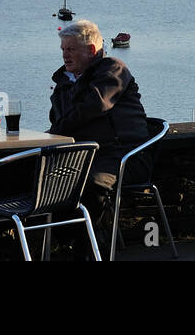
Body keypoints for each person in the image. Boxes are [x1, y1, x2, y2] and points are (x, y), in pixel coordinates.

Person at [48, 20, 152, 234]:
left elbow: (94, 106)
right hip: (87, 154)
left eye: (71, 49)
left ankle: (93, 250)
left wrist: (56, 130)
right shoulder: (65, 81)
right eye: (63, 49)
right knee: (46, 181)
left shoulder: (113, 69)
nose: (65, 55)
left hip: (125, 155)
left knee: (91, 185)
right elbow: (57, 118)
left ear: (91, 50)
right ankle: (65, 243)